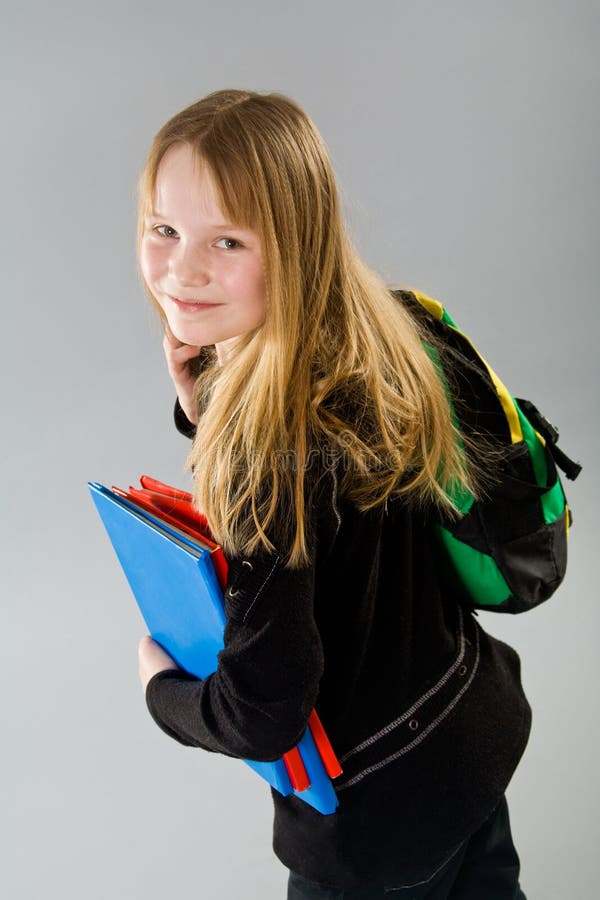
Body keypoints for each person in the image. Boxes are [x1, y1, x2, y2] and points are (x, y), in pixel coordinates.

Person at [135, 89, 530, 898]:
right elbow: (348, 510)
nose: (183, 268)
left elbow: (265, 709)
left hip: (376, 827)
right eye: (163, 229)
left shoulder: (267, 449)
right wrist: (206, 407)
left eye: (228, 240)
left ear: (294, 245)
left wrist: (162, 691)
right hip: (470, 741)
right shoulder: (383, 334)